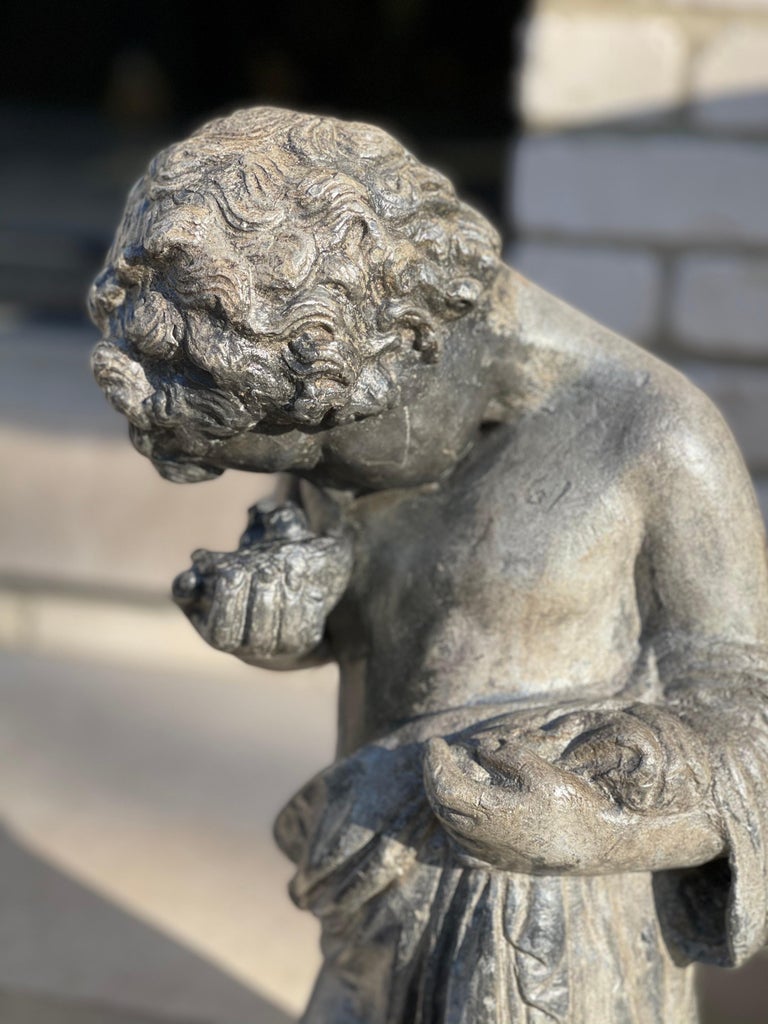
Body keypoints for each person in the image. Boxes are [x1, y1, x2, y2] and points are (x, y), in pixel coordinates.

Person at [90, 107, 768, 1024]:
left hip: (549, 945)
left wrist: (605, 829)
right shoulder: (332, 405)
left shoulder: (652, 435)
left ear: (409, 339)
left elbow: (747, 709)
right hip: (372, 911)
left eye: (323, 449)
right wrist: (287, 616)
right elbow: (369, 610)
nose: (321, 478)